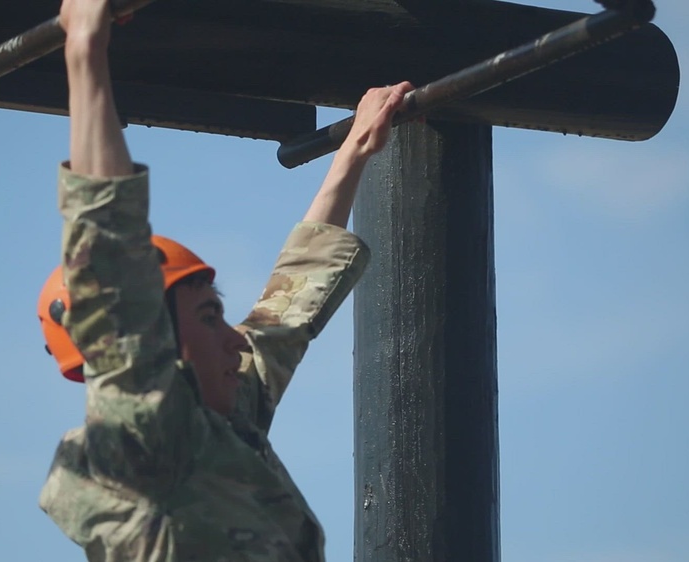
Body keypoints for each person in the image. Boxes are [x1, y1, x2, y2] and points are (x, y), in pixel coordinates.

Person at [36, 0, 413, 560]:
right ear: (150, 341)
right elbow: (109, 253)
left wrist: (354, 151)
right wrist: (85, 44)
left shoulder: (224, 427)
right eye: (211, 317)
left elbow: (286, 309)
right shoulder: (151, 442)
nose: (236, 339)